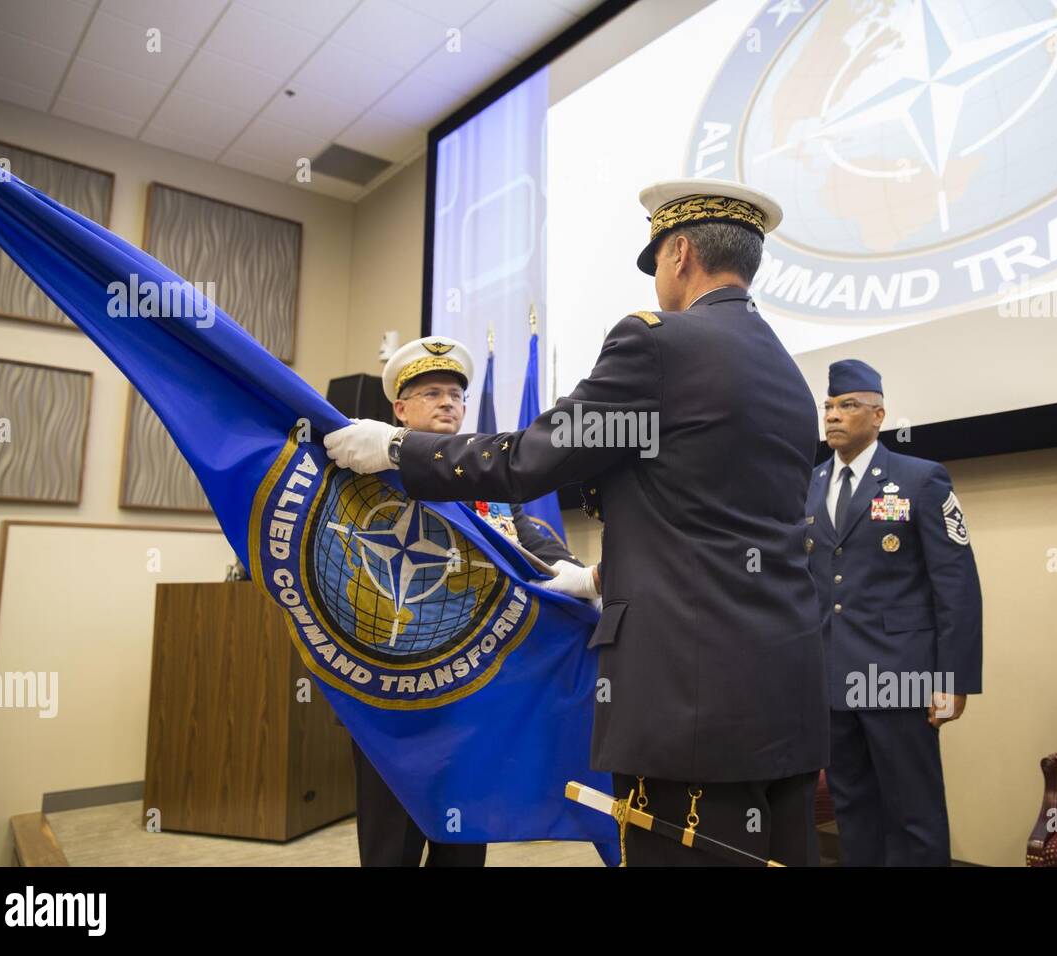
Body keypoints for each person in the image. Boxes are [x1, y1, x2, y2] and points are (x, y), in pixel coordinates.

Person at [325, 179, 827, 866]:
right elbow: (728, 522)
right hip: (785, 692)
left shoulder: (660, 345)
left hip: (689, 703)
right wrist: (598, 576)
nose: (657, 286)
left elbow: (530, 459)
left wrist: (394, 448)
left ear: (679, 254)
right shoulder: (788, 376)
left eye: (657, 268)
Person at [347, 334, 584, 867]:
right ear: (400, 408)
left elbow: (535, 541)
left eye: (456, 393)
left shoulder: (486, 483)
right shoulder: (367, 477)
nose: (449, 402)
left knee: (463, 845)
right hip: (392, 698)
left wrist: (577, 574)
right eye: (432, 392)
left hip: (471, 698)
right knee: (392, 848)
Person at [805, 359, 983, 866]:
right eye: (829, 407)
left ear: (879, 415)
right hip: (832, 678)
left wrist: (953, 679)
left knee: (913, 813)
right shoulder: (810, 485)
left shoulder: (920, 480)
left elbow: (957, 585)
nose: (834, 416)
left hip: (899, 677)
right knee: (853, 809)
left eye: (848, 406)